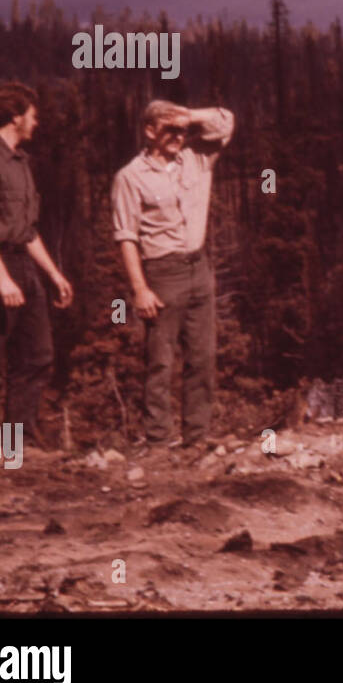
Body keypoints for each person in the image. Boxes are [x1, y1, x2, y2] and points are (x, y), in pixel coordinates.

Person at [112, 100, 234, 454]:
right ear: (149, 131)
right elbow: (126, 237)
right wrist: (139, 289)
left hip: (199, 266)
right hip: (162, 273)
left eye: (182, 131)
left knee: (203, 356)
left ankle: (197, 437)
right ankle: (158, 440)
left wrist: (188, 116)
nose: (178, 136)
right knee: (161, 360)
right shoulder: (130, 177)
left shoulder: (197, 159)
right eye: (169, 130)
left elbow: (226, 123)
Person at [0, 82, 74, 452]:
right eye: (33, 115)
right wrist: (1, 278)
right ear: (16, 116)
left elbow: (26, 230)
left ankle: (19, 441)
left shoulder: (22, 163)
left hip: (23, 265)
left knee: (38, 355)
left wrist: (54, 274)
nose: (36, 122)